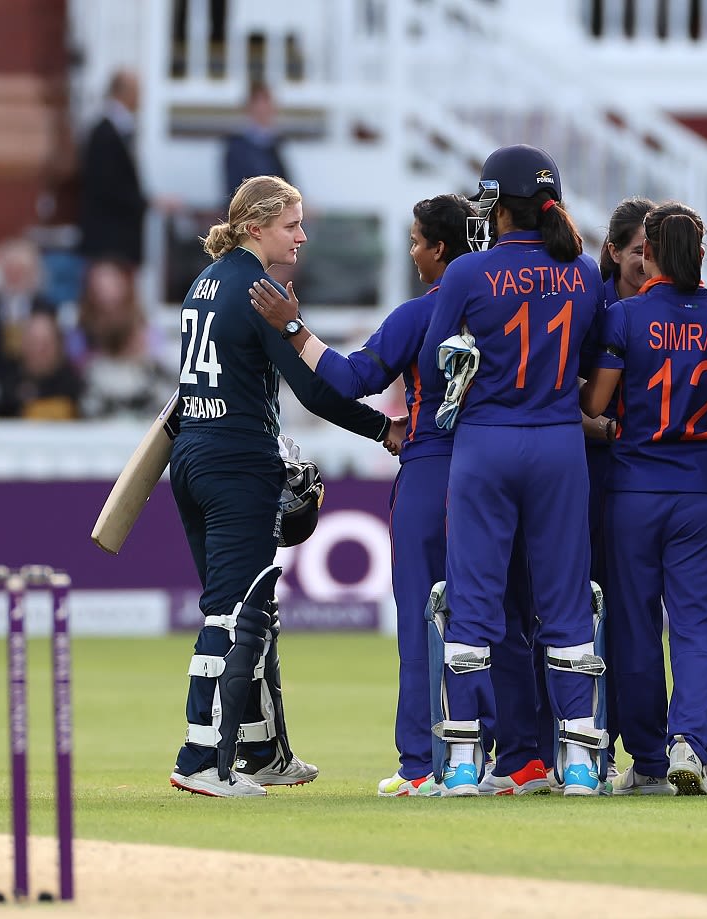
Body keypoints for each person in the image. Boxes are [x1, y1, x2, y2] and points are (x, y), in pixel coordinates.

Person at [252, 194, 554, 797]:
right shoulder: (521, 301)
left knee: (423, 616)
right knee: (508, 615)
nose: (413, 252)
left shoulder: (424, 312)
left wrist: (292, 328)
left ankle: (423, 763)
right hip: (514, 471)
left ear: (441, 249)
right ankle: (522, 758)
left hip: (434, 472)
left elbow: (353, 377)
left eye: (417, 241)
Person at [168, 175, 395, 797]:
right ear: (254, 227)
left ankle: (263, 751)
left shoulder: (203, 282)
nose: (302, 235)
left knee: (253, 609)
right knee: (232, 612)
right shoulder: (259, 290)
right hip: (236, 462)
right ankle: (200, 759)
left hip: (191, 453)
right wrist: (384, 428)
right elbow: (318, 389)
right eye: (291, 224)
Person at [415, 145, 605, 797]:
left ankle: (464, 762)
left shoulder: (469, 273)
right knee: (565, 603)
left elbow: (436, 364)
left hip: (485, 443)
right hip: (558, 442)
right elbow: (600, 358)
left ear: (495, 202)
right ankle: (579, 762)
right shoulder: (583, 272)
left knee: (472, 601)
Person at [582, 202, 707, 796]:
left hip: (634, 490)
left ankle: (650, 758)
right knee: (700, 628)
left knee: (635, 626)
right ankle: (692, 741)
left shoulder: (624, 318)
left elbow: (597, 405)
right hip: (705, 489)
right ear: (702, 253)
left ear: (646, 252)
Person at [588, 195, 655, 781]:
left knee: (641, 620)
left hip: (648, 477)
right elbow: (551, 380)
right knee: (593, 613)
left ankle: (655, 752)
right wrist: (600, 425)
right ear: (612, 252)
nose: (649, 263)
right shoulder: (591, 303)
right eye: (639, 253)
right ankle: (593, 747)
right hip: (594, 475)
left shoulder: (675, 304)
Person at [72, 259, 174, 419]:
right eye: (100, 287)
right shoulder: (83, 339)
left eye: (112, 285)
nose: (107, 294)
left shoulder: (146, 335)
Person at [77, 70, 149, 269]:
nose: (141, 98)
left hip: (118, 238)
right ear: (124, 92)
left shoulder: (119, 129)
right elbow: (108, 185)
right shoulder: (105, 133)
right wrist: (145, 202)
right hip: (109, 239)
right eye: (137, 91)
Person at [0, 238, 56, 384]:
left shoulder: (45, 308)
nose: (14, 276)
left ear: (32, 273)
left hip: (37, 382)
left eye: (20, 270)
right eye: (9, 269)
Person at [224, 81, 290, 198]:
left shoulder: (277, 145)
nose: (263, 109)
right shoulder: (237, 148)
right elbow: (234, 190)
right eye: (258, 104)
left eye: (267, 103)